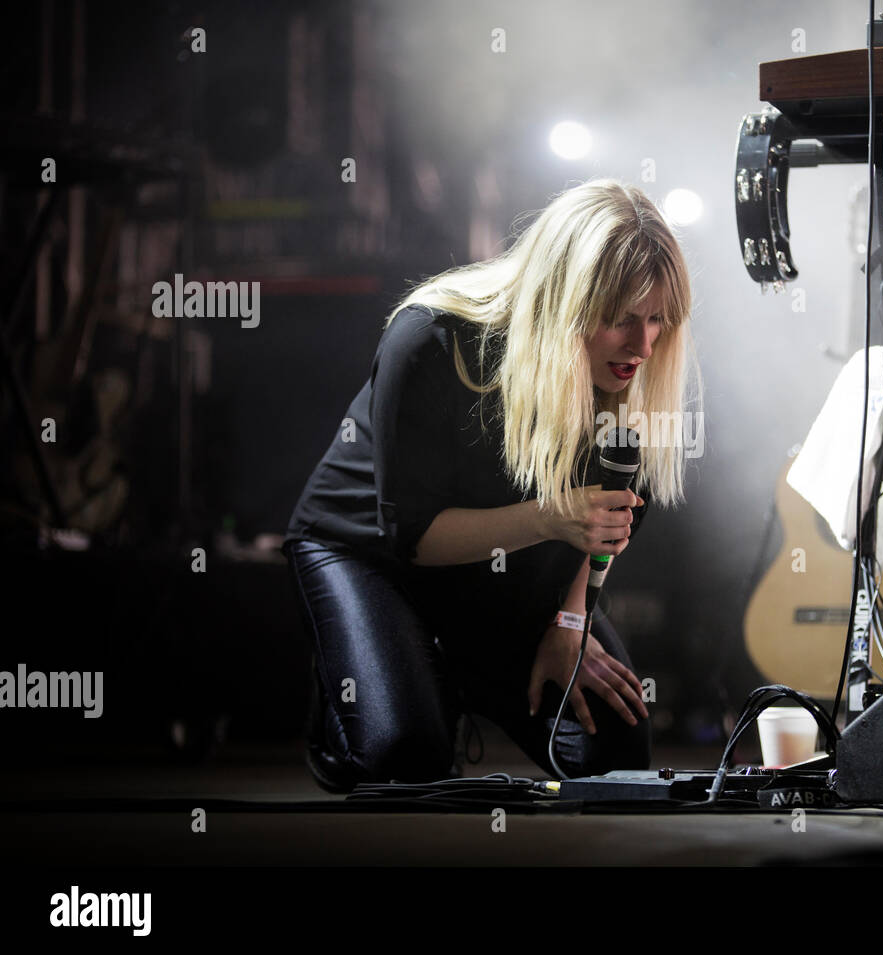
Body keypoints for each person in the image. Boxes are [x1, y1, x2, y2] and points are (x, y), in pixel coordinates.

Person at [280, 179, 699, 791]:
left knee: (618, 752)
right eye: (621, 320)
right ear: (565, 301)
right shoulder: (429, 337)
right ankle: (377, 693)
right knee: (407, 760)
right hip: (369, 556)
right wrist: (552, 518)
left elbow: (616, 514)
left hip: (507, 568)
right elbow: (414, 538)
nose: (643, 345)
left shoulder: (636, 367)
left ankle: (451, 675)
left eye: (659, 319)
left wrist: (569, 623)